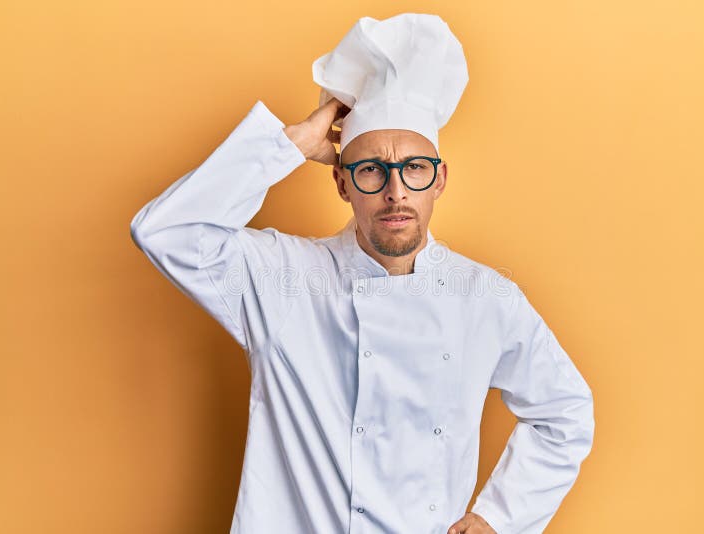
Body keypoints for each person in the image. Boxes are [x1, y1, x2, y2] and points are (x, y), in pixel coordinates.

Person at [130, 13, 594, 534]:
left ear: (439, 179)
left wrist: (498, 519)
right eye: (371, 169)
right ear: (341, 183)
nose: (396, 192)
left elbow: (566, 413)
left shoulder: (486, 298)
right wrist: (292, 144)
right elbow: (165, 231)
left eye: (414, 168)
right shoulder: (282, 278)